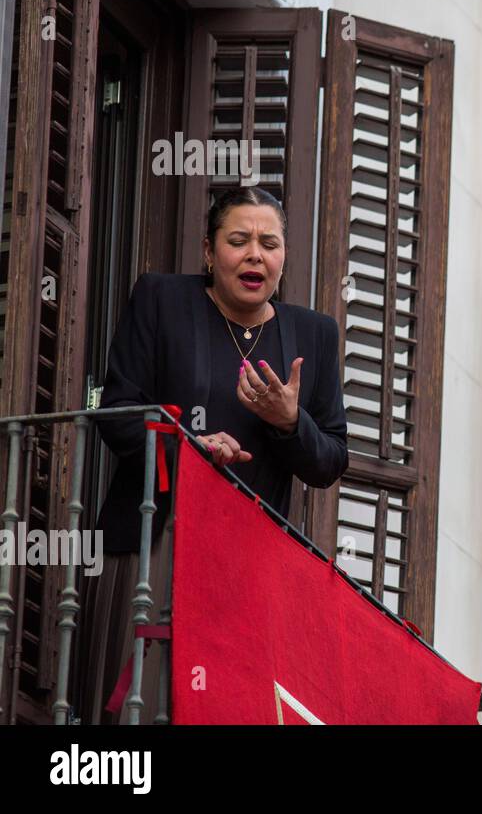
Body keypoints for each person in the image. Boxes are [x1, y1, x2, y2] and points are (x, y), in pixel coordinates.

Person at [75, 186, 349, 723]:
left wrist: (289, 423)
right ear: (209, 250)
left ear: (284, 256)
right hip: (155, 541)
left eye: (269, 243)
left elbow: (330, 461)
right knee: (139, 707)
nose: (255, 254)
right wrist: (189, 445)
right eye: (238, 240)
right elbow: (119, 412)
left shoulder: (314, 336)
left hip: (250, 565)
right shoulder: (162, 299)